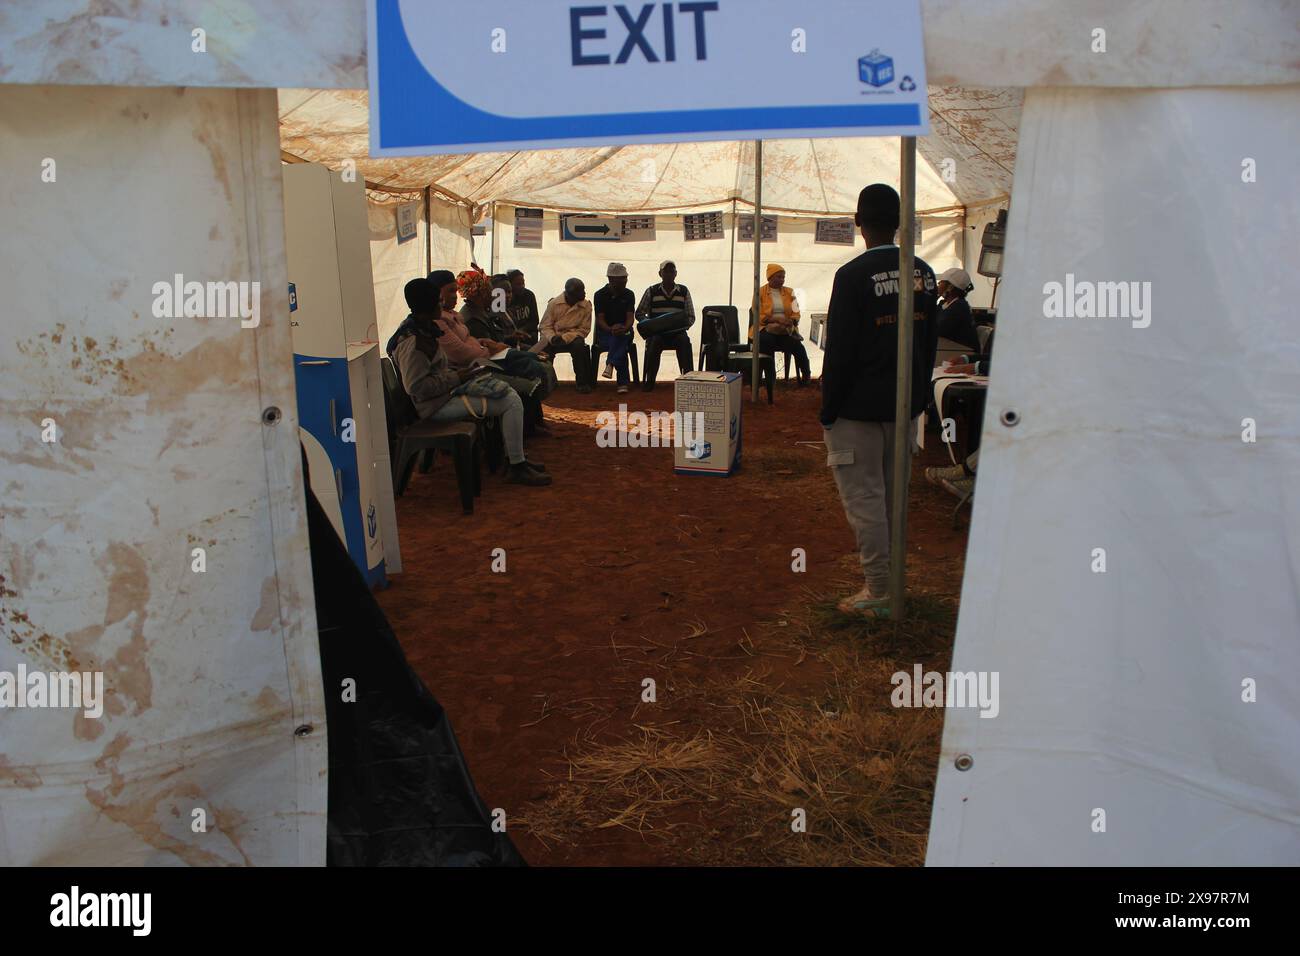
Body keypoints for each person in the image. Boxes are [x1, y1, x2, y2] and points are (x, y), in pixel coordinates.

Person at [821, 183, 939, 619]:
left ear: (858, 222)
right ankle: (892, 582)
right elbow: (928, 345)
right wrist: (918, 402)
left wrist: (828, 410)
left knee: (866, 500)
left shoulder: (851, 276)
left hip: (857, 410)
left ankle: (879, 591)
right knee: (893, 498)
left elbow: (840, 352)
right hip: (903, 406)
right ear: (901, 223)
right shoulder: (923, 272)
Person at [385, 278, 550, 486]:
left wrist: (462, 375)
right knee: (511, 400)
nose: (442, 303)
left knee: (504, 391)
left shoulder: (421, 329)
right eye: (438, 300)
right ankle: (516, 466)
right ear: (427, 306)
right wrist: (458, 377)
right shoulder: (414, 342)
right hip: (434, 407)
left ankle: (515, 459)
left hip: (442, 396)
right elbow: (417, 388)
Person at [432, 269, 553, 436]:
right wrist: (489, 348)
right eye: (489, 291)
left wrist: (494, 344)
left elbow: (475, 341)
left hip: (485, 359)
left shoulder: (466, 314)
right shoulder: (465, 317)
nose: (492, 294)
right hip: (478, 366)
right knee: (529, 370)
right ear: (478, 294)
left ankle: (531, 422)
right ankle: (526, 428)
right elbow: (462, 352)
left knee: (533, 363)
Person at [635, 260, 695, 390]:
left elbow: (691, 316)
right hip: (658, 333)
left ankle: (689, 380)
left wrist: (683, 326)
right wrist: (649, 325)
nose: (668, 274)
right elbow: (639, 313)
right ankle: (650, 381)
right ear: (660, 274)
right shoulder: (651, 291)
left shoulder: (683, 291)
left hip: (678, 333)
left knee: (684, 340)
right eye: (665, 271)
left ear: (676, 274)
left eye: (671, 271)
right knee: (654, 341)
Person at [755, 263, 812, 386]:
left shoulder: (790, 292)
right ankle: (770, 378)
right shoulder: (760, 292)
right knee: (766, 342)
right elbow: (758, 315)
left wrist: (792, 321)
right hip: (766, 327)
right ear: (770, 277)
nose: (782, 280)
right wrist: (776, 320)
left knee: (797, 346)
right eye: (779, 277)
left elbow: (796, 311)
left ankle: (806, 375)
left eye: (783, 277)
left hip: (785, 329)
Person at [536, 277, 595, 393]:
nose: (584, 293)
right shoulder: (554, 304)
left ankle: (581, 382)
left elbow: (584, 330)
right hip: (553, 336)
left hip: (573, 338)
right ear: (569, 294)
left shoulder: (586, 306)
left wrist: (565, 338)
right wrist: (552, 337)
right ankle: (548, 382)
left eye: (583, 290)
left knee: (579, 346)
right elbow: (544, 326)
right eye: (580, 292)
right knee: (544, 348)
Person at [593, 262, 637, 394]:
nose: (625, 281)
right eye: (621, 279)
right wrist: (611, 329)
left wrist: (624, 328)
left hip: (625, 331)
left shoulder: (629, 294)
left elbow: (630, 317)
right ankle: (622, 382)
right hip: (606, 332)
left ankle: (610, 363)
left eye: (625, 278)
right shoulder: (600, 295)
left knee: (620, 338)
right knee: (618, 342)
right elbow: (600, 319)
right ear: (611, 279)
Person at [936, 267, 979, 350]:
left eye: (942, 282)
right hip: (952, 349)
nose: (938, 283)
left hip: (963, 353)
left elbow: (938, 330)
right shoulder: (945, 304)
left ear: (950, 287)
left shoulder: (959, 307)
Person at [507, 269, 541, 348]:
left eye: (523, 283)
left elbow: (535, 320)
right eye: (518, 284)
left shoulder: (529, 295)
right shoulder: (506, 300)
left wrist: (523, 330)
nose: (522, 286)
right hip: (512, 337)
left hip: (529, 334)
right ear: (510, 285)